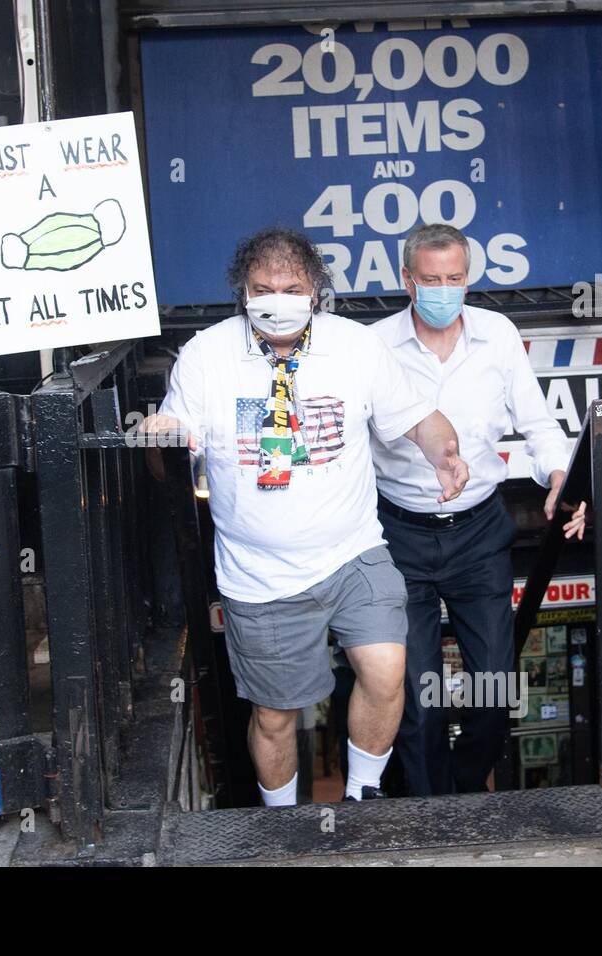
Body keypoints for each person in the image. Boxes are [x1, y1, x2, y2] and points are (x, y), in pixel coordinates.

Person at [143, 227, 469, 806]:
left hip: (353, 552)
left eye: (291, 286)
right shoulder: (205, 355)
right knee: (275, 715)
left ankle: (362, 793)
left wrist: (444, 453)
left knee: (387, 670)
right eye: (261, 288)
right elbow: (172, 452)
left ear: (315, 289)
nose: (276, 298)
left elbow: (419, 416)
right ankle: (280, 819)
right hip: (260, 574)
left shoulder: (356, 346)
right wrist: (158, 441)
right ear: (242, 291)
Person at [370, 223, 586, 796]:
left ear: (468, 277)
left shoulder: (498, 334)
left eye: (455, 278)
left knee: (494, 685)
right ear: (406, 279)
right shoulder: (373, 347)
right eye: (431, 279)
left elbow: (538, 424)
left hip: (478, 532)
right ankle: (428, 816)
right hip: (399, 537)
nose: (444, 289)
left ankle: (464, 792)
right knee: (415, 697)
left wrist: (561, 475)